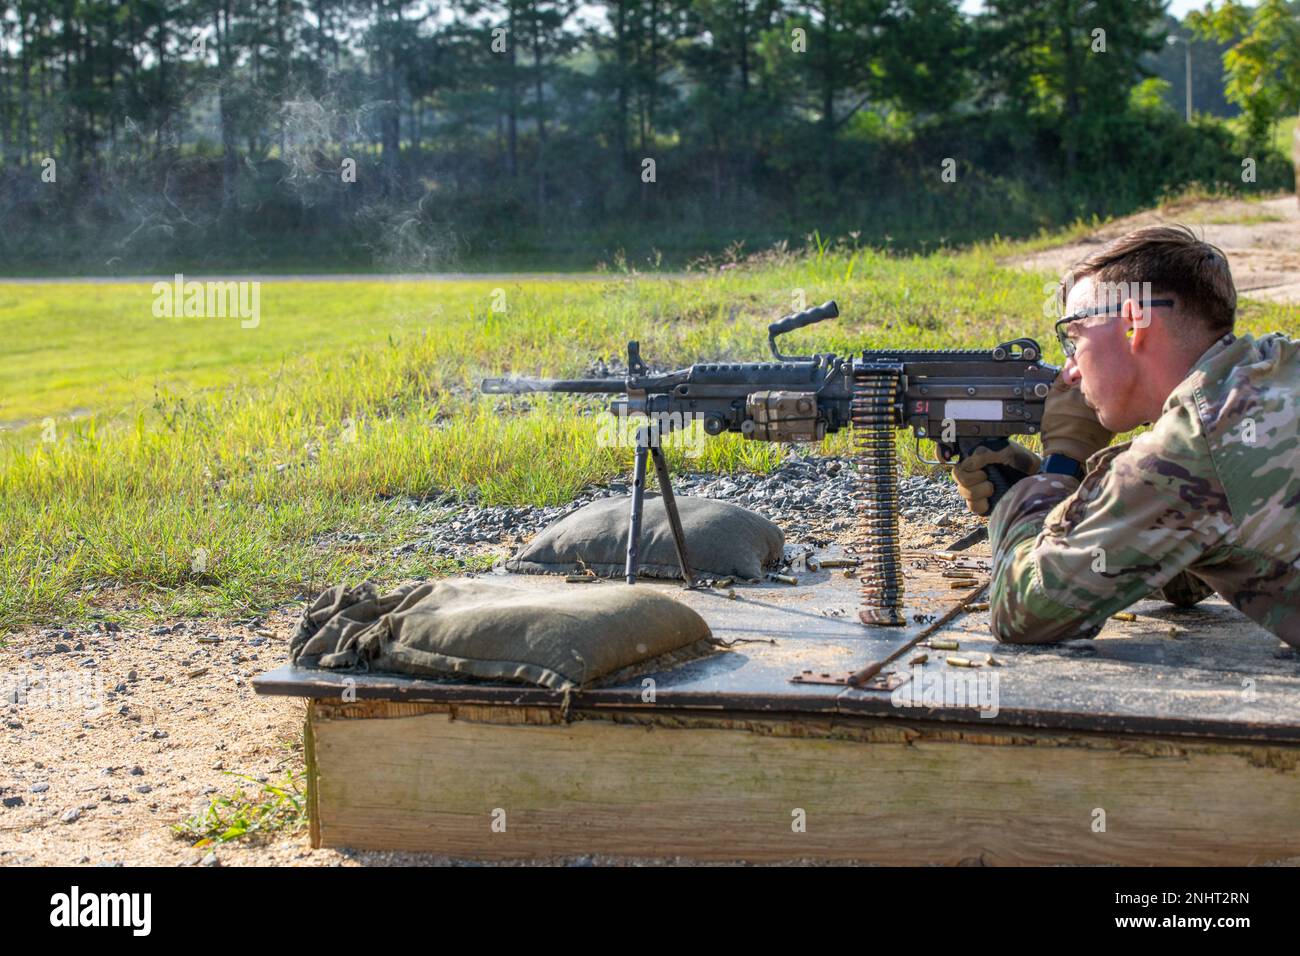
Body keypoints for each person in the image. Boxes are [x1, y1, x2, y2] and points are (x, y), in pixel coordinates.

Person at [953, 224, 1300, 645]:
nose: (1070, 369)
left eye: (1073, 337)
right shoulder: (1272, 368)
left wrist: (1059, 463)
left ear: (1133, 323)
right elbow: (1185, 575)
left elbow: (1026, 610)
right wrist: (1073, 494)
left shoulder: (1196, 438)